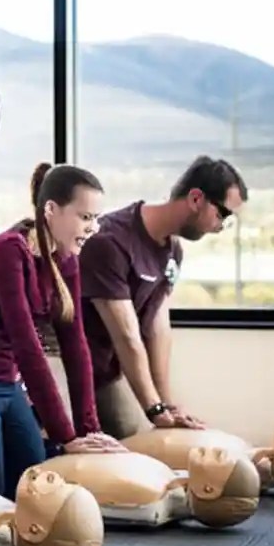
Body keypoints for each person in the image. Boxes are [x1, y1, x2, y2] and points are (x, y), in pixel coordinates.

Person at [0, 162, 123, 499]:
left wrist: (89, 430)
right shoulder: (9, 250)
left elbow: (75, 345)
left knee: (33, 480)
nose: (93, 228)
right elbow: (26, 344)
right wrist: (66, 436)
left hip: (10, 385)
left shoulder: (67, 261)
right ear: (51, 210)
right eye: (85, 217)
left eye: (96, 218)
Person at [78, 155, 247, 439]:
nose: (220, 227)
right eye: (222, 215)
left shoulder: (172, 251)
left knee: (141, 435)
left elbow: (158, 329)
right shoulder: (110, 242)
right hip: (77, 369)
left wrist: (168, 405)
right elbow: (127, 336)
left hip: (111, 369)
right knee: (125, 432)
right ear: (196, 199)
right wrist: (154, 409)